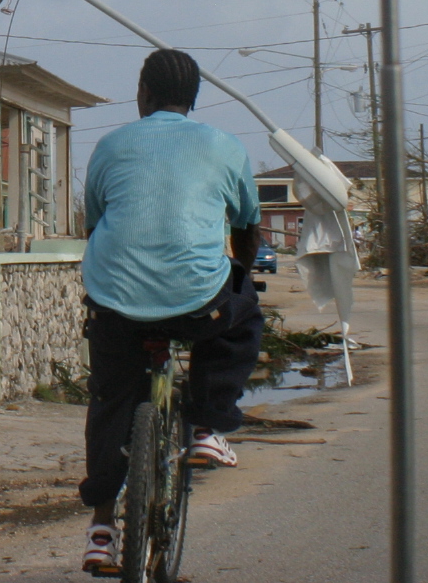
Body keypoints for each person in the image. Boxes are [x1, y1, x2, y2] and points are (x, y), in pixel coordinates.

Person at [79, 48, 264, 574]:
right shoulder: (224, 146)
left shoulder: (110, 145)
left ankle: (101, 531)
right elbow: (247, 228)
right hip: (196, 303)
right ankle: (208, 427)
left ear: (143, 94)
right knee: (242, 316)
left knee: (111, 397)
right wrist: (239, 275)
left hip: (116, 302)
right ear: (194, 98)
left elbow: (94, 227)